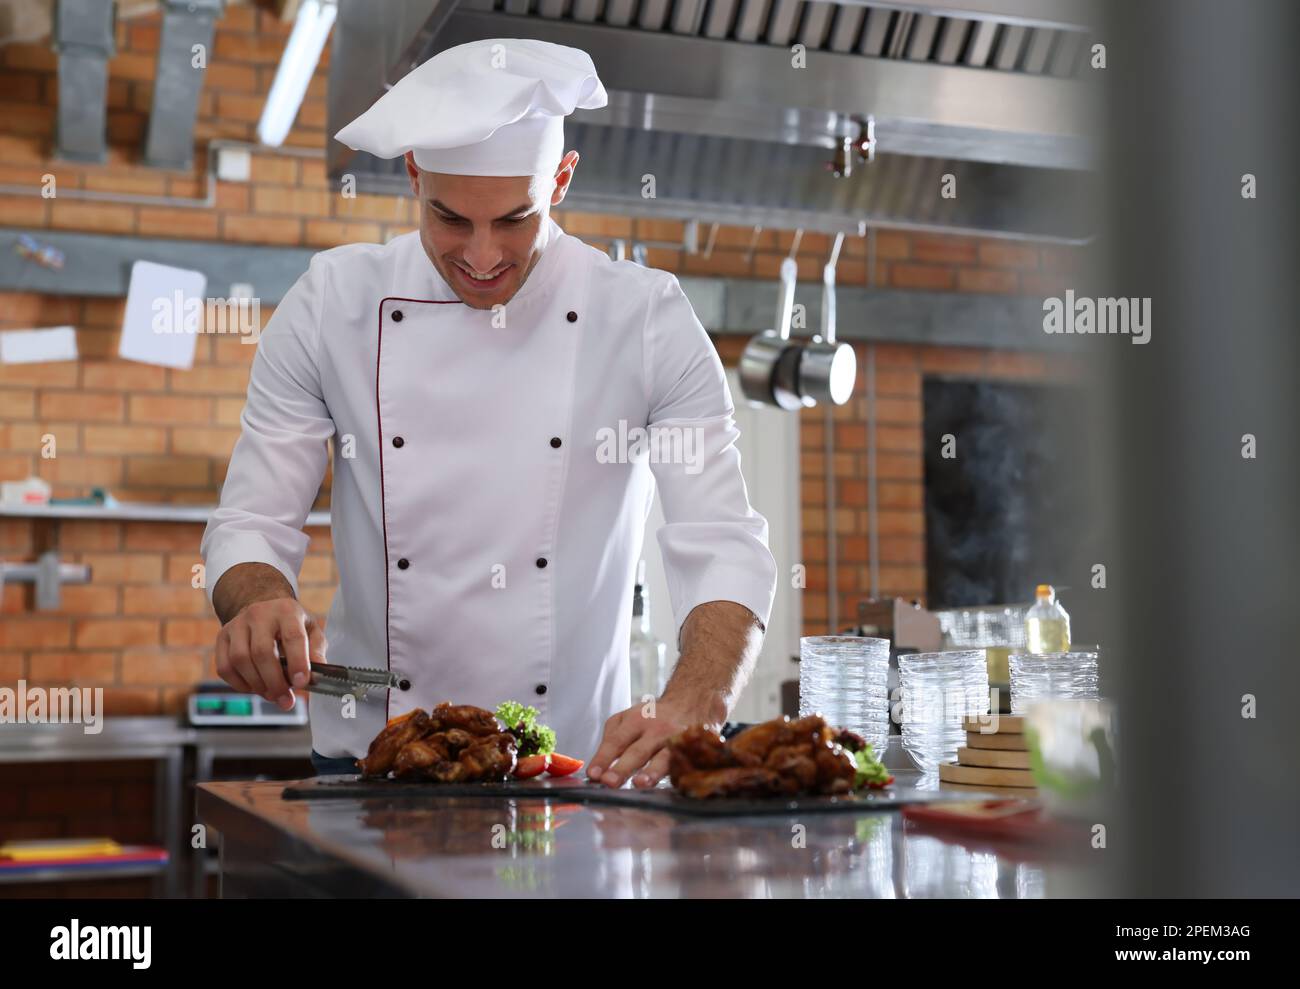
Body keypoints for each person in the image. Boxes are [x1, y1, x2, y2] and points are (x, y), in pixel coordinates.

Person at [201, 38, 777, 787]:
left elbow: (723, 541)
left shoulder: (643, 319)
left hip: (566, 768)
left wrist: (698, 697)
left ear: (561, 181)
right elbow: (251, 523)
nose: (480, 256)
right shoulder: (332, 305)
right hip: (370, 761)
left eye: (513, 220)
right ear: (413, 173)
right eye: (448, 218)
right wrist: (260, 600)